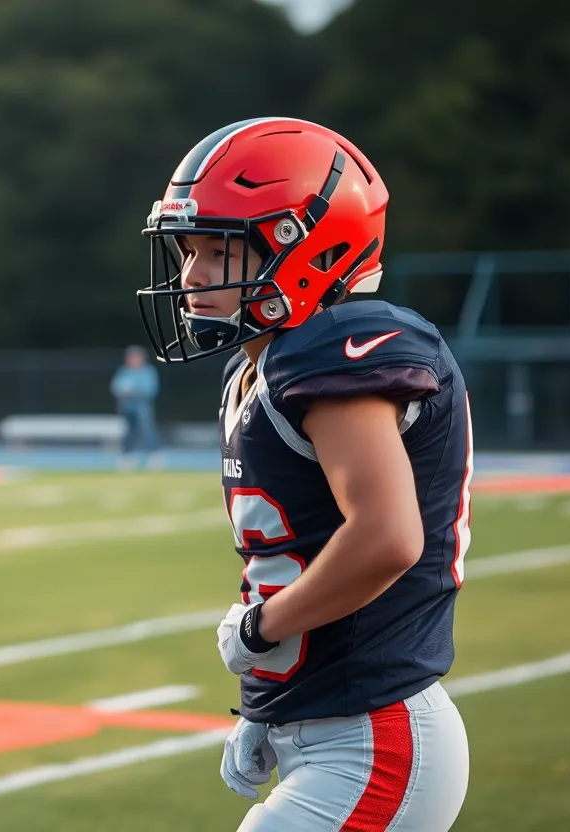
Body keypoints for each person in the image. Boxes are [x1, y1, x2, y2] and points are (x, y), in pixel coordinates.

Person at [136, 118, 472, 830]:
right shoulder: (254, 369)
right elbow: (300, 552)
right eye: (187, 250)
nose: (191, 274)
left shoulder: (326, 355)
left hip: (375, 736)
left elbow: (386, 538)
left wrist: (261, 629)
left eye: (217, 249)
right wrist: (269, 700)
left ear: (302, 245)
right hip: (329, 724)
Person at [110, 345, 160, 467]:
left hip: (142, 407)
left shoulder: (148, 371)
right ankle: (128, 456)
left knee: (146, 430)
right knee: (128, 432)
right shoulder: (124, 371)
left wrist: (134, 391)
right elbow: (115, 387)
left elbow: (151, 389)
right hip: (127, 407)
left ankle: (153, 455)